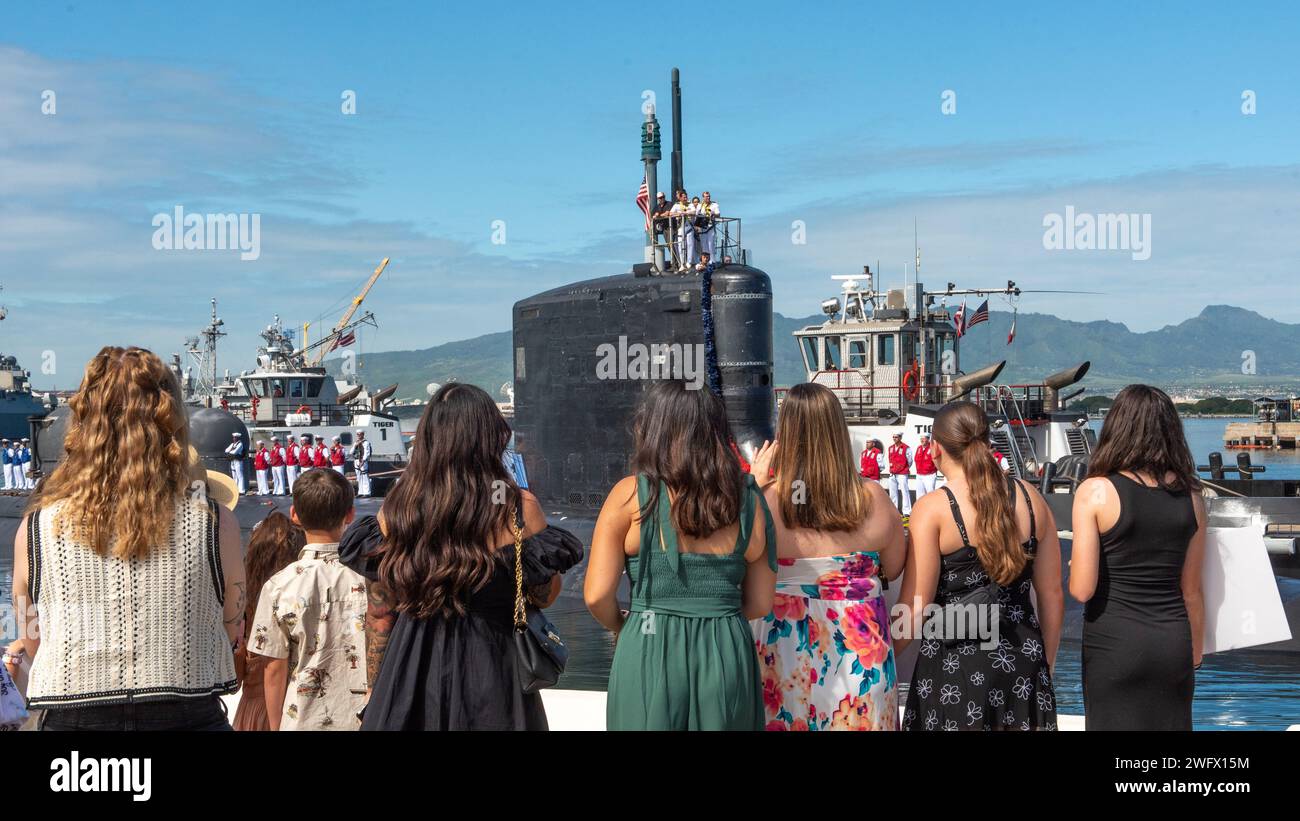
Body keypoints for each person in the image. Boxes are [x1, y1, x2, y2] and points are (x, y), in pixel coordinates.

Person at [11, 346, 243, 731]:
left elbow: (34, 637)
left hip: (74, 722)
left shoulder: (35, 528)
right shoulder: (218, 524)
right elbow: (230, 626)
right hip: (188, 715)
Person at [338, 383, 582, 730]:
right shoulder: (515, 507)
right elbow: (546, 594)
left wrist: (378, 692)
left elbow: (380, 611)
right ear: (491, 438)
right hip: (493, 667)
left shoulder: (399, 510)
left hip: (411, 666)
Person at [586, 380, 776, 730]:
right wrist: (716, 614)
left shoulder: (629, 496)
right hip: (725, 647)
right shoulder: (749, 501)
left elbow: (597, 595)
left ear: (653, 428)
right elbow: (762, 602)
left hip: (647, 644)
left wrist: (623, 624)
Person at [897, 402, 1064, 731]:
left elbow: (915, 609)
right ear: (989, 443)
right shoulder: (1031, 499)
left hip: (952, 670)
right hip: (1022, 662)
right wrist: (1046, 663)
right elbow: (1052, 595)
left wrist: (878, 658)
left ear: (934, 449)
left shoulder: (933, 510)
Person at [749, 383, 906, 730]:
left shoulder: (765, 502)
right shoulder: (874, 499)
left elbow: (737, 564)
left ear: (785, 432)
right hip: (860, 655)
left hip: (782, 655)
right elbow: (893, 569)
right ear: (838, 431)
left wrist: (754, 485)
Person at [1069, 385, 1206, 731]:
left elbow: (1082, 590)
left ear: (1116, 427)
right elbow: (1191, 590)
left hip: (1115, 646)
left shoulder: (1096, 491)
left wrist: (1077, 567)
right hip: (1174, 642)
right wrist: (1196, 651)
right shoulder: (1191, 496)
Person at [248, 469, 366, 730]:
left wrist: (277, 725)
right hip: (361, 719)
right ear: (350, 514)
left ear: (295, 515)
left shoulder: (278, 586)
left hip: (301, 718)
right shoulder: (371, 580)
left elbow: (274, 669)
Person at [232, 511, 304, 731]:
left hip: (253, 713)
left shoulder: (243, 603)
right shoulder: (301, 595)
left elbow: (234, 682)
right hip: (294, 711)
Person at [670, 189, 697, 272]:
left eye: (686, 197)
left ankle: (689, 262)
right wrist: (678, 214)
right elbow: (670, 213)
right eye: (684, 197)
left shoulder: (690, 204)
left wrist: (685, 213)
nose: (685, 198)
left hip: (689, 226)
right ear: (680, 198)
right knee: (680, 245)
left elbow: (694, 212)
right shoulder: (677, 205)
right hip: (680, 227)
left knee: (690, 244)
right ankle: (682, 263)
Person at [887, 432, 913, 515]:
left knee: (904, 491)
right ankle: (894, 510)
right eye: (893, 437)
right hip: (892, 473)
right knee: (892, 492)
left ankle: (906, 511)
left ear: (900, 438)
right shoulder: (890, 448)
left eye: (896, 437)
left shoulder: (906, 448)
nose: (894, 438)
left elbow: (910, 461)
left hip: (902, 473)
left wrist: (904, 467)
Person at [697, 190, 720, 258]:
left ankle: (712, 260)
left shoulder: (714, 204)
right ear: (703, 198)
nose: (708, 198)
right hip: (702, 225)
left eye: (709, 196)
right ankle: (705, 260)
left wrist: (713, 215)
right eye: (706, 196)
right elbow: (697, 215)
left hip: (710, 225)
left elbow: (718, 214)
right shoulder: (700, 205)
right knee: (704, 244)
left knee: (711, 243)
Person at [352, 429, 372, 497]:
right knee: (359, 477)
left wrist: (363, 461)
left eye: (360, 434)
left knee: (365, 476)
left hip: (362, 460)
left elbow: (367, 453)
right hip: (356, 460)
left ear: (363, 434)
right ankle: (360, 492)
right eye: (357, 434)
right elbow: (351, 452)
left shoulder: (366, 443)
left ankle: (367, 492)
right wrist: (355, 445)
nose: (358, 435)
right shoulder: (356, 442)